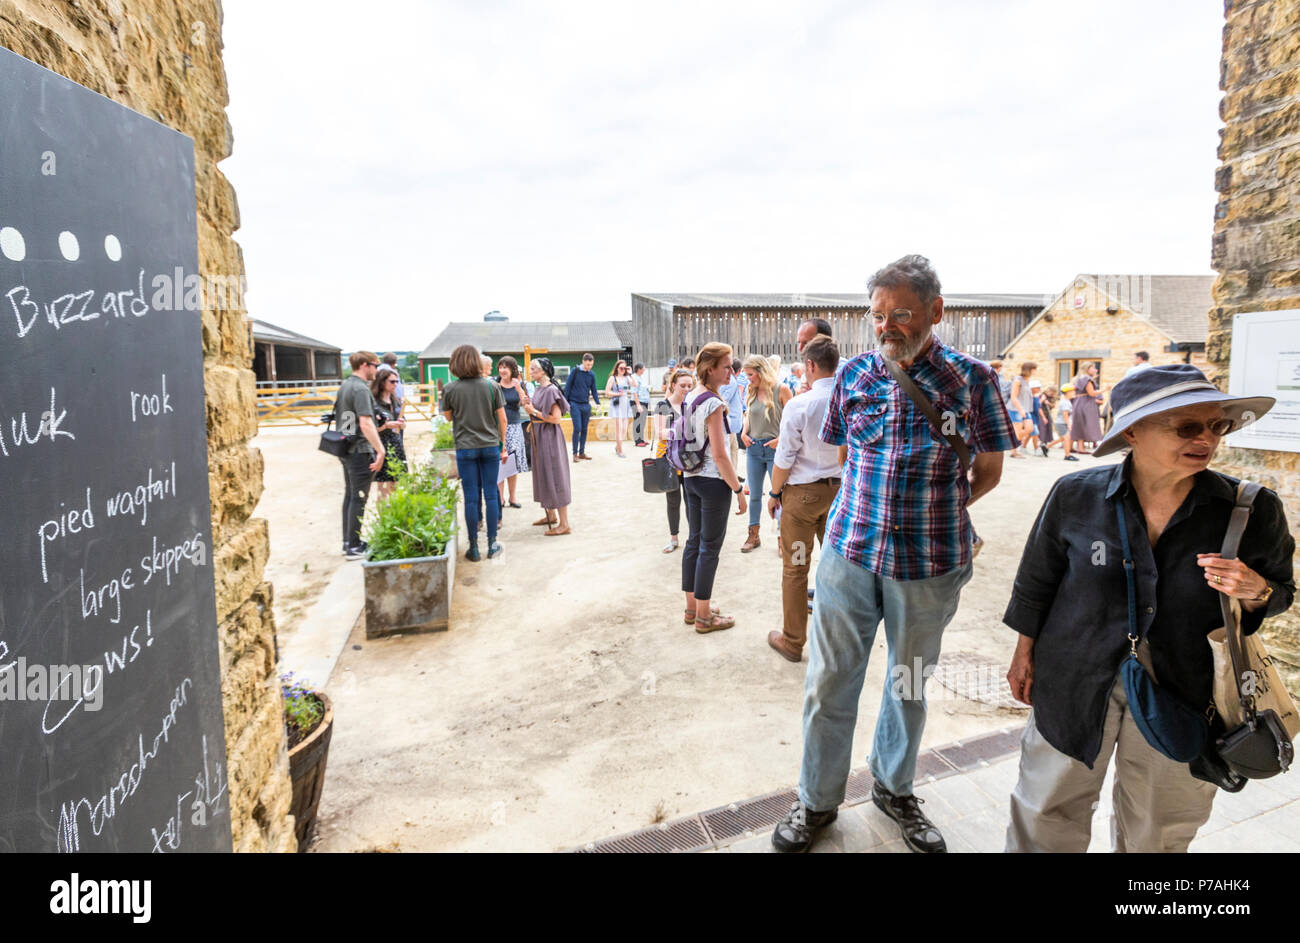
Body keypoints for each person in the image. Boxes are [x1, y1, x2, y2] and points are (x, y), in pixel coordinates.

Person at [772, 254, 1018, 854]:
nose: (887, 326)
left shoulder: (974, 378)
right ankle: (817, 800)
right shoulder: (854, 376)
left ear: (936, 311)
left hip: (930, 566)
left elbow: (988, 469)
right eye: (878, 315)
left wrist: (935, 508)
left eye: (901, 313)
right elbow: (843, 456)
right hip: (850, 558)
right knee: (830, 683)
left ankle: (893, 787)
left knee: (907, 684)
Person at [1003, 364, 1294, 852]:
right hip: (1074, 681)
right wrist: (1023, 652)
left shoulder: (1251, 509)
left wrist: (1255, 588)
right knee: (1045, 812)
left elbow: (1281, 591)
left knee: (1158, 832)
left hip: (1186, 693)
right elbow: (1037, 581)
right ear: (1132, 431)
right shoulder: (1075, 495)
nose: (1207, 438)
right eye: (1187, 426)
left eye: (1216, 425)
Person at [765, 336, 842, 663]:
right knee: (840, 568)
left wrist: (774, 492)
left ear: (810, 366)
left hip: (803, 499)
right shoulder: (849, 399)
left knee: (796, 567)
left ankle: (794, 640)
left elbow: (784, 458)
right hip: (840, 493)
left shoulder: (800, 404)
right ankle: (839, 645)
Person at [680, 344, 746, 631]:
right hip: (713, 482)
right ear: (710, 369)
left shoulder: (691, 395)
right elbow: (720, 455)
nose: (731, 371)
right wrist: (738, 490)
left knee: (694, 541)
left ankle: (693, 607)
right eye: (726, 366)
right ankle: (706, 617)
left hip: (691, 478)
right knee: (710, 547)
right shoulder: (715, 404)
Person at [440, 344, 507, 561]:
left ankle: (474, 548)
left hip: (465, 448)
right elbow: (502, 419)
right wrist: (502, 444)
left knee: (470, 497)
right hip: (489, 446)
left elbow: (448, 417)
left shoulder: (450, 389)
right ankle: (492, 544)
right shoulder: (491, 387)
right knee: (491, 494)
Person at [335, 351, 386, 560]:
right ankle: (354, 546)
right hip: (360, 450)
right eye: (375, 365)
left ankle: (349, 541)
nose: (377, 370)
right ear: (365, 365)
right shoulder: (360, 388)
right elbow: (365, 422)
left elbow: (347, 421)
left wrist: (350, 438)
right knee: (359, 497)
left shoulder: (346, 385)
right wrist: (380, 450)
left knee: (350, 496)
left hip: (348, 448)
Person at [739, 354, 792, 551]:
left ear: (761, 372)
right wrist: (744, 433)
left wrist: (780, 440)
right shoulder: (751, 391)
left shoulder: (782, 389)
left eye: (750, 374)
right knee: (754, 495)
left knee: (778, 496)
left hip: (774, 450)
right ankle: (753, 536)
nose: (748, 378)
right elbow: (748, 416)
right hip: (753, 448)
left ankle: (781, 538)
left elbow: (793, 420)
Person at [524, 357, 572, 536]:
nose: (531, 372)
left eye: (534, 369)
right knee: (544, 473)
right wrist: (528, 405)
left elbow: (556, 419)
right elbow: (535, 410)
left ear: (543, 371)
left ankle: (564, 524)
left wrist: (534, 412)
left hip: (550, 437)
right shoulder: (538, 388)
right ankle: (551, 515)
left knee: (555, 475)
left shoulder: (551, 390)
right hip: (539, 435)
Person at [655, 368, 696, 553]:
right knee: (673, 500)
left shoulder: (693, 405)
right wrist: (681, 433)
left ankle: (693, 537)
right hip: (668, 460)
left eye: (690, 385)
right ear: (673, 385)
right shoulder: (663, 406)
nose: (686, 388)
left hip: (689, 460)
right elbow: (659, 433)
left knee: (691, 500)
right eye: (682, 385)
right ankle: (674, 538)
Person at [496, 356, 530, 509]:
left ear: (512, 369)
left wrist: (519, 389)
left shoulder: (518, 383)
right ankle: (500, 498)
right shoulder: (495, 385)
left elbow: (524, 403)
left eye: (506, 367)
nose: (503, 370)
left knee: (512, 464)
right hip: (498, 427)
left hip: (515, 427)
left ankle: (513, 497)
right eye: (500, 367)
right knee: (499, 463)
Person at [370, 368, 407, 500]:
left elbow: (403, 423)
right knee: (384, 489)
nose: (395, 384)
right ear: (381, 382)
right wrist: (385, 426)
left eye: (397, 381)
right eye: (392, 381)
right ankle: (384, 519)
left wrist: (401, 423)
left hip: (396, 444)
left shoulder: (395, 400)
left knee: (397, 486)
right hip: (382, 445)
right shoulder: (374, 403)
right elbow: (368, 429)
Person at [563, 353, 600, 461]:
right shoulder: (575, 371)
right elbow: (567, 387)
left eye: (591, 365)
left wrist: (597, 403)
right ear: (583, 361)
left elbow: (594, 390)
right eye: (588, 364)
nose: (589, 367)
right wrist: (565, 403)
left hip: (586, 405)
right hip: (574, 404)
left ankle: (582, 453)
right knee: (577, 428)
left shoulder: (591, 374)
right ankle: (575, 454)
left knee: (584, 429)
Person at [718, 358, 746, 485]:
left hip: (730, 420)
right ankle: (730, 476)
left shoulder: (726, 380)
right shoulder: (732, 381)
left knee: (733, 448)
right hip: (730, 421)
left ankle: (732, 474)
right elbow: (725, 399)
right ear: (738, 371)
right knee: (731, 448)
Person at [1071, 362, 1105, 452]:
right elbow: (1091, 393)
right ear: (1087, 369)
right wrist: (1105, 389)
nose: (1095, 370)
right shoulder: (1086, 379)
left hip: (1079, 402)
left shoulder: (1081, 378)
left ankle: (1080, 447)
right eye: (1093, 368)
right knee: (1085, 424)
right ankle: (1081, 448)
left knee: (1080, 424)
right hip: (1085, 403)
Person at [1007, 362, 1037, 458]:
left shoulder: (1027, 380)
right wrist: (1020, 409)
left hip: (1026, 409)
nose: (1036, 371)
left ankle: (1012, 441)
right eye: (1034, 368)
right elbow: (1013, 397)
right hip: (1015, 409)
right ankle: (1014, 451)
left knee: (1029, 428)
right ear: (1029, 369)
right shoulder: (1018, 380)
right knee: (1017, 430)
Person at [605, 360, 634, 458]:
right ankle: (620, 450)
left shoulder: (627, 378)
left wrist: (631, 373)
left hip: (625, 404)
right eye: (621, 368)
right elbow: (607, 392)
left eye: (624, 368)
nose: (623, 370)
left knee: (624, 429)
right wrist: (618, 394)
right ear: (617, 368)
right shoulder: (612, 378)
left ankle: (618, 446)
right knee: (619, 429)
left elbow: (635, 385)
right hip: (617, 404)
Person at [632, 363, 652, 447]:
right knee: (637, 421)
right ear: (639, 369)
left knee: (642, 421)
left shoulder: (641, 378)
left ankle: (641, 439)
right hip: (638, 402)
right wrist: (638, 404)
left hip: (644, 401)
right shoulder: (634, 377)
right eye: (643, 368)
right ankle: (637, 441)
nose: (644, 369)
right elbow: (634, 392)